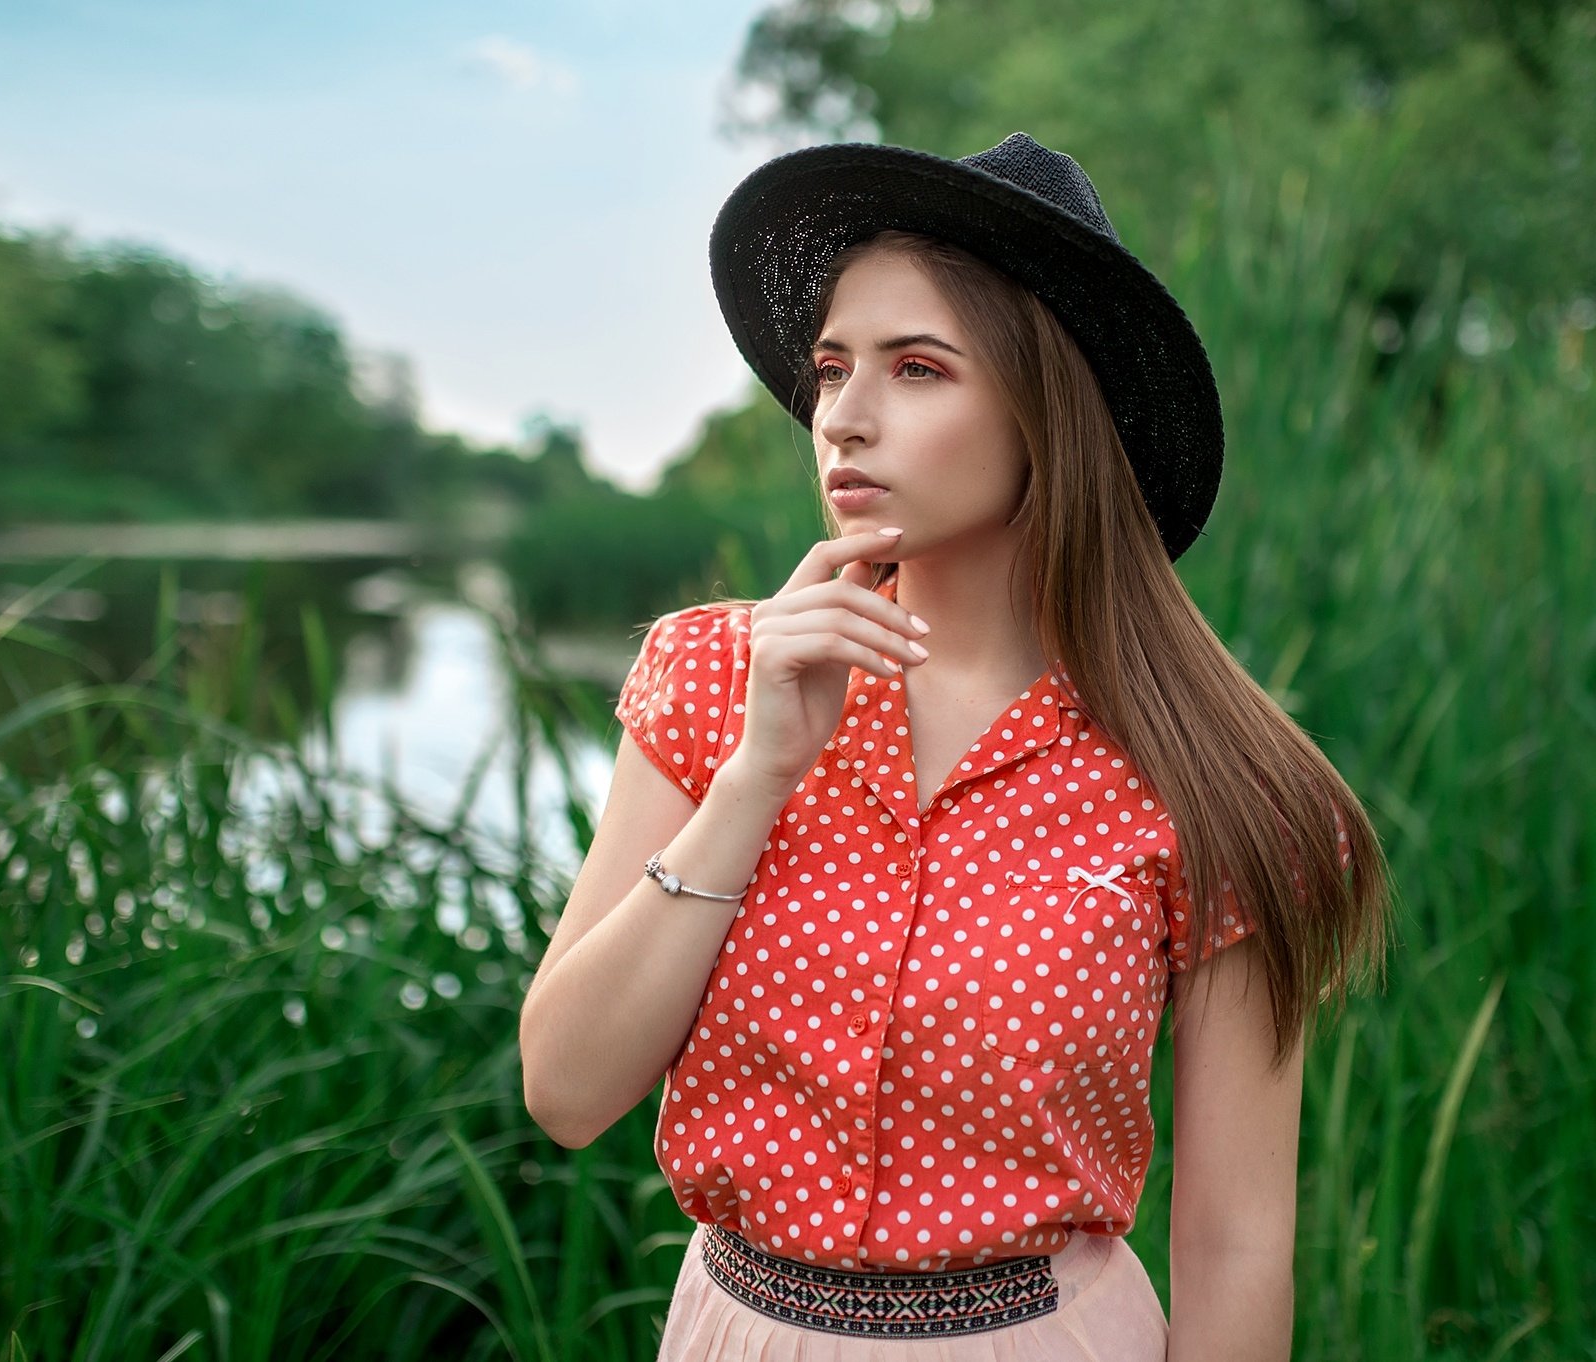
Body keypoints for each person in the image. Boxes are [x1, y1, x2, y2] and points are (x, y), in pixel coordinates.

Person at [520, 132, 1393, 1361]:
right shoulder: (717, 677)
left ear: (1050, 409)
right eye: (832, 369)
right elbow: (564, 1093)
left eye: (919, 369)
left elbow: (1236, 1242)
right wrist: (755, 779)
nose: (843, 419)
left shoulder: (1211, 781)